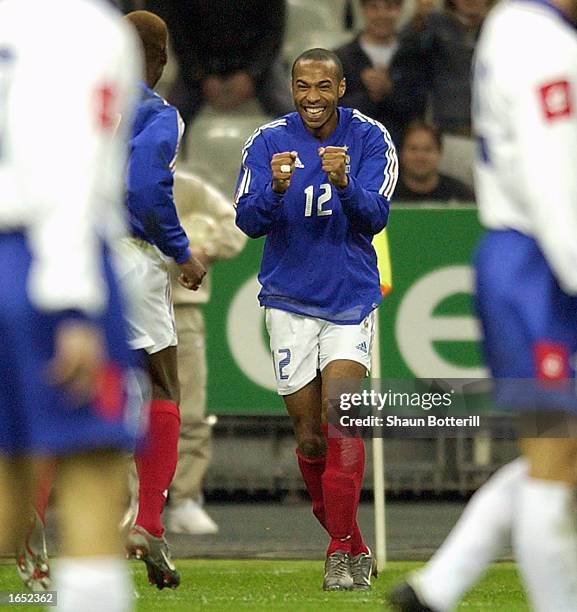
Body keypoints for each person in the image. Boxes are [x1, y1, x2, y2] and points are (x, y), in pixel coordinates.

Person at [390, 0, 577, 609]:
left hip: (534, 257)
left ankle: (437, 587)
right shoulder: (543, 43)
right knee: (557, 457)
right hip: (543, 264)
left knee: (558, 454)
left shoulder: (514, 28)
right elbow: (555, 180)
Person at [235, 48, 398, 592]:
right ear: (291, 87)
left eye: (323, 86)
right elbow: (248, 221)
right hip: (287, 300)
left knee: (342, 420)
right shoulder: (266, 142)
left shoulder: (371, 138)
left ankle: (336, 552)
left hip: (351, 298)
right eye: (303, 86)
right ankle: (351, 540)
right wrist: (273, 189)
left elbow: (376, 215)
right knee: (309, 440)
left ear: (342, 87)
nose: (312, 97)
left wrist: (347, 182)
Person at [0, 1, 141, 611]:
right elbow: (69, 161)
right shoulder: (84, 29)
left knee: (9, 483)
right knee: (91, 466)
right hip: (46, 255)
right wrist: (75, 304)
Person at [119, 10, 206, 590]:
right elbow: (146, 188)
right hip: (130, 257)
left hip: (67, 251)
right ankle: (149, 519)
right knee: (164, 385)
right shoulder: (158, 112)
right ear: (161, 57)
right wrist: (182, 252)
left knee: (62, 390)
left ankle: (32, 525)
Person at [166, 171, 247, 535]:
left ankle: (184, 499)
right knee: (126, 410)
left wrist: (203, 248)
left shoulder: (190, 187)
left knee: (191, 410)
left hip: (181, 309)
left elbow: (235, 225)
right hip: (126, 308)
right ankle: (128, 503)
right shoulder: (112, 180)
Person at [144, 0, 293, 126]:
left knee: (294, 118)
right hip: (201, 63)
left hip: (258, 62)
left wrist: (252, 74)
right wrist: (200, 76)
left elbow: (273, 33)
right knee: (164, 122)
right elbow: (180, 35)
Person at [390, 0, 490, 137]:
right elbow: (405, 55)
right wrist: (418, 21)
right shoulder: (431, 22)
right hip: (443, 122)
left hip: (488, 121)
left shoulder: (499, 26)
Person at [335, 0, 407, 146]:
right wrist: (369, 94)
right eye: (374, 7)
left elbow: (418, 107)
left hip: (400, 152)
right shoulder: (341, 58)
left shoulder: (412, 56)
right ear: (363, 10)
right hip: (352, 150)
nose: (382, 15)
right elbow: (332, 110)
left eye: (389, 7)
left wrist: (389, 90)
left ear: (400, 10)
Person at [393, 120, 475, 202]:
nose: (420, 157)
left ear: (439, 153)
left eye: (428, 149)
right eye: (413, 149)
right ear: (401, 153)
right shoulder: (384, 194)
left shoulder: (461, 196)